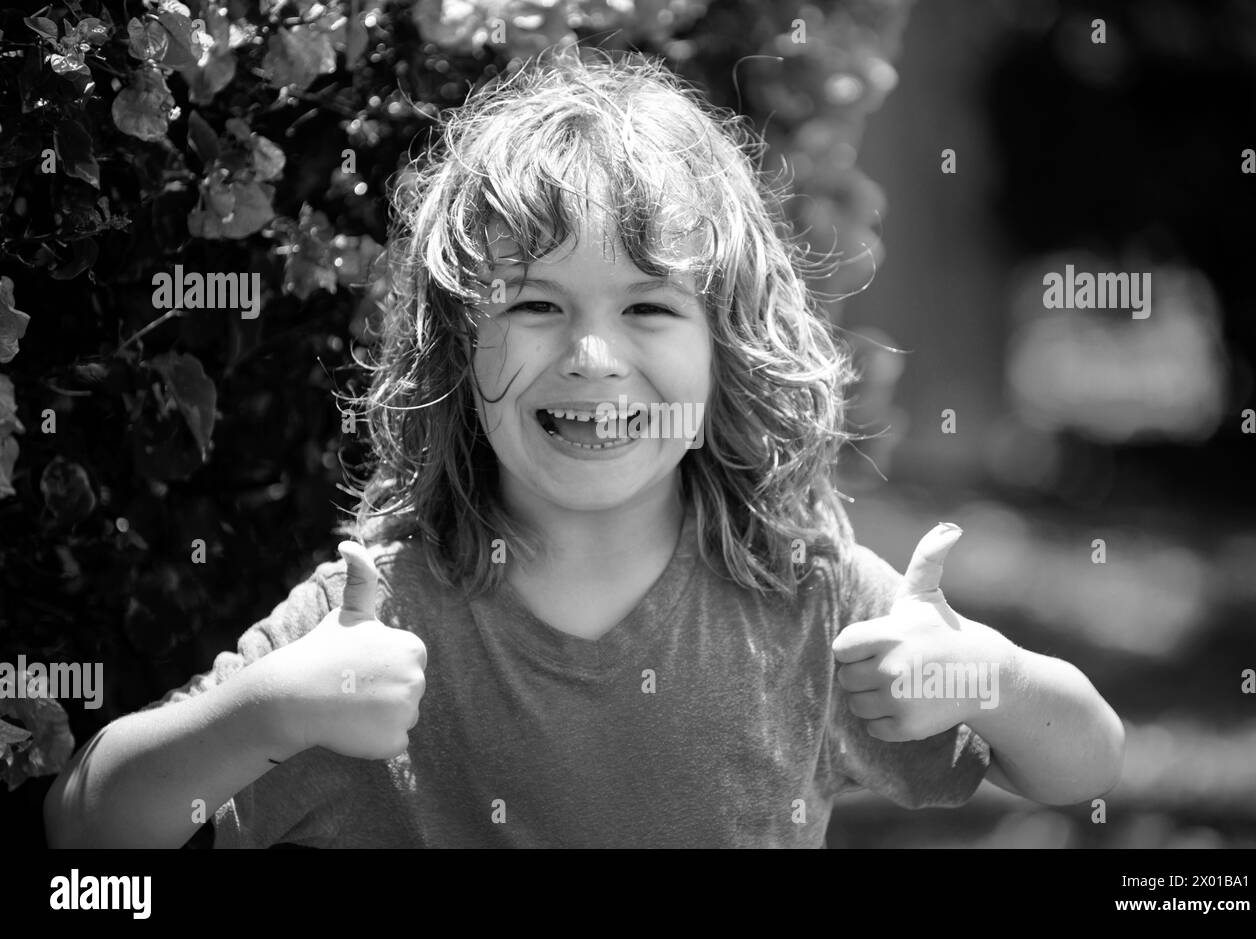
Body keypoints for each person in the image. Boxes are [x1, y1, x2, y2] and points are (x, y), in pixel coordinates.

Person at [44, 49, 1124, 848]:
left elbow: (1085, 765)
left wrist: (988, 676)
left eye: (650, 309)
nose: (594, 356)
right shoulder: (372, 621)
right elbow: (90, 832)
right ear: (456, 351)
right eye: (535, 306)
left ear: (728, 353)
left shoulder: (805, 601)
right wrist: (266, 714)